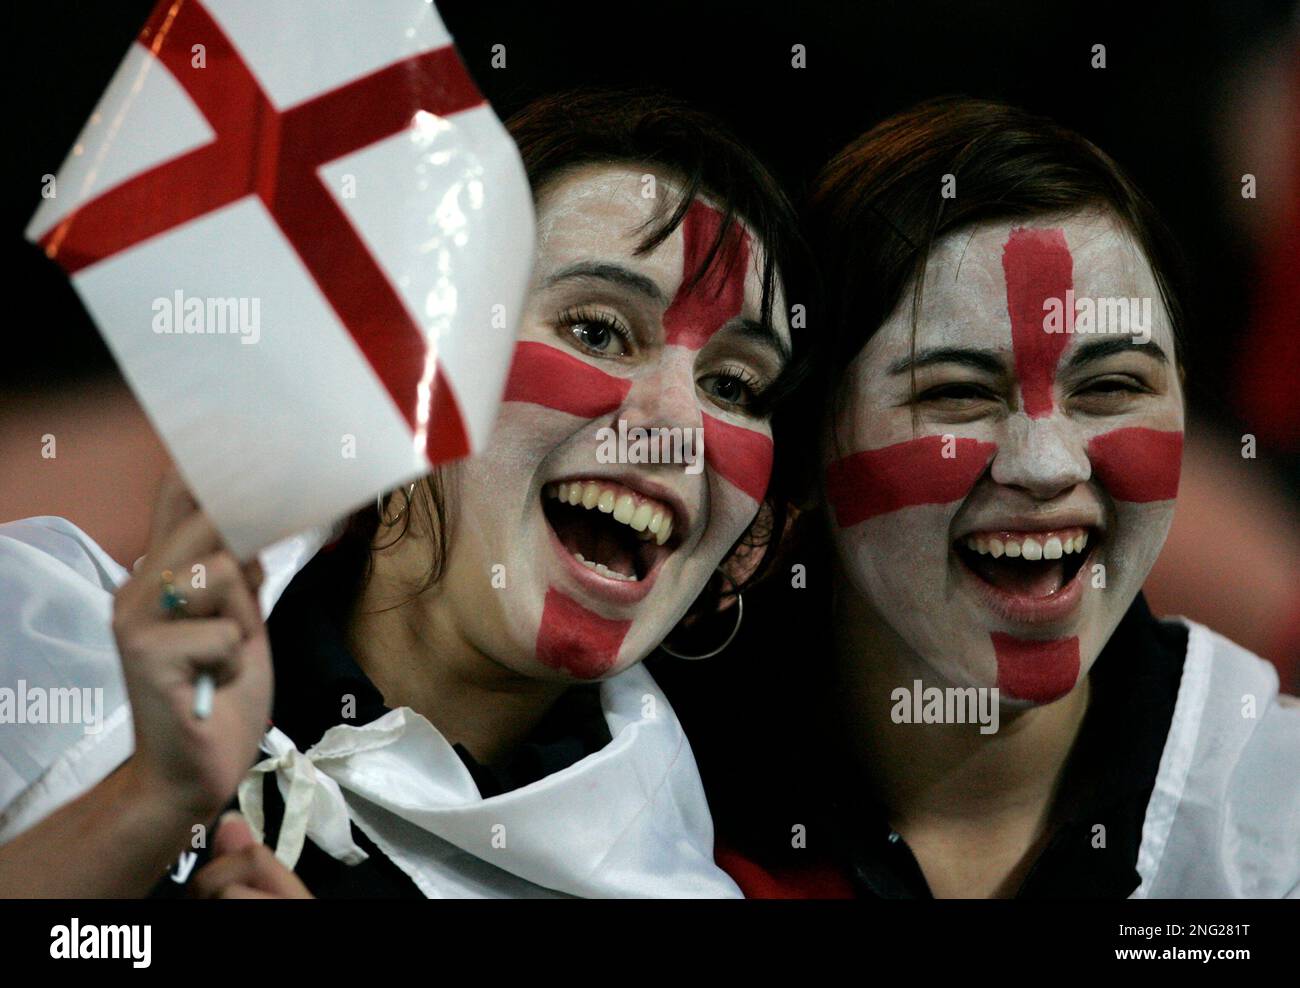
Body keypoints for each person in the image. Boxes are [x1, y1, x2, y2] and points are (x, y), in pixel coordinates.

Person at [0, 89, 812, 898]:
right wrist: (147, 802)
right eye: (596, 330)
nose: (676, 425)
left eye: (736, 386)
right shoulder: (43, 644)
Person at [660, 97, 1299, 899]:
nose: (1045, 464)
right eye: (958, 394)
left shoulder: (1277, 816)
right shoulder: (636, 804)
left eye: (1109, 387)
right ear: (804, 447)